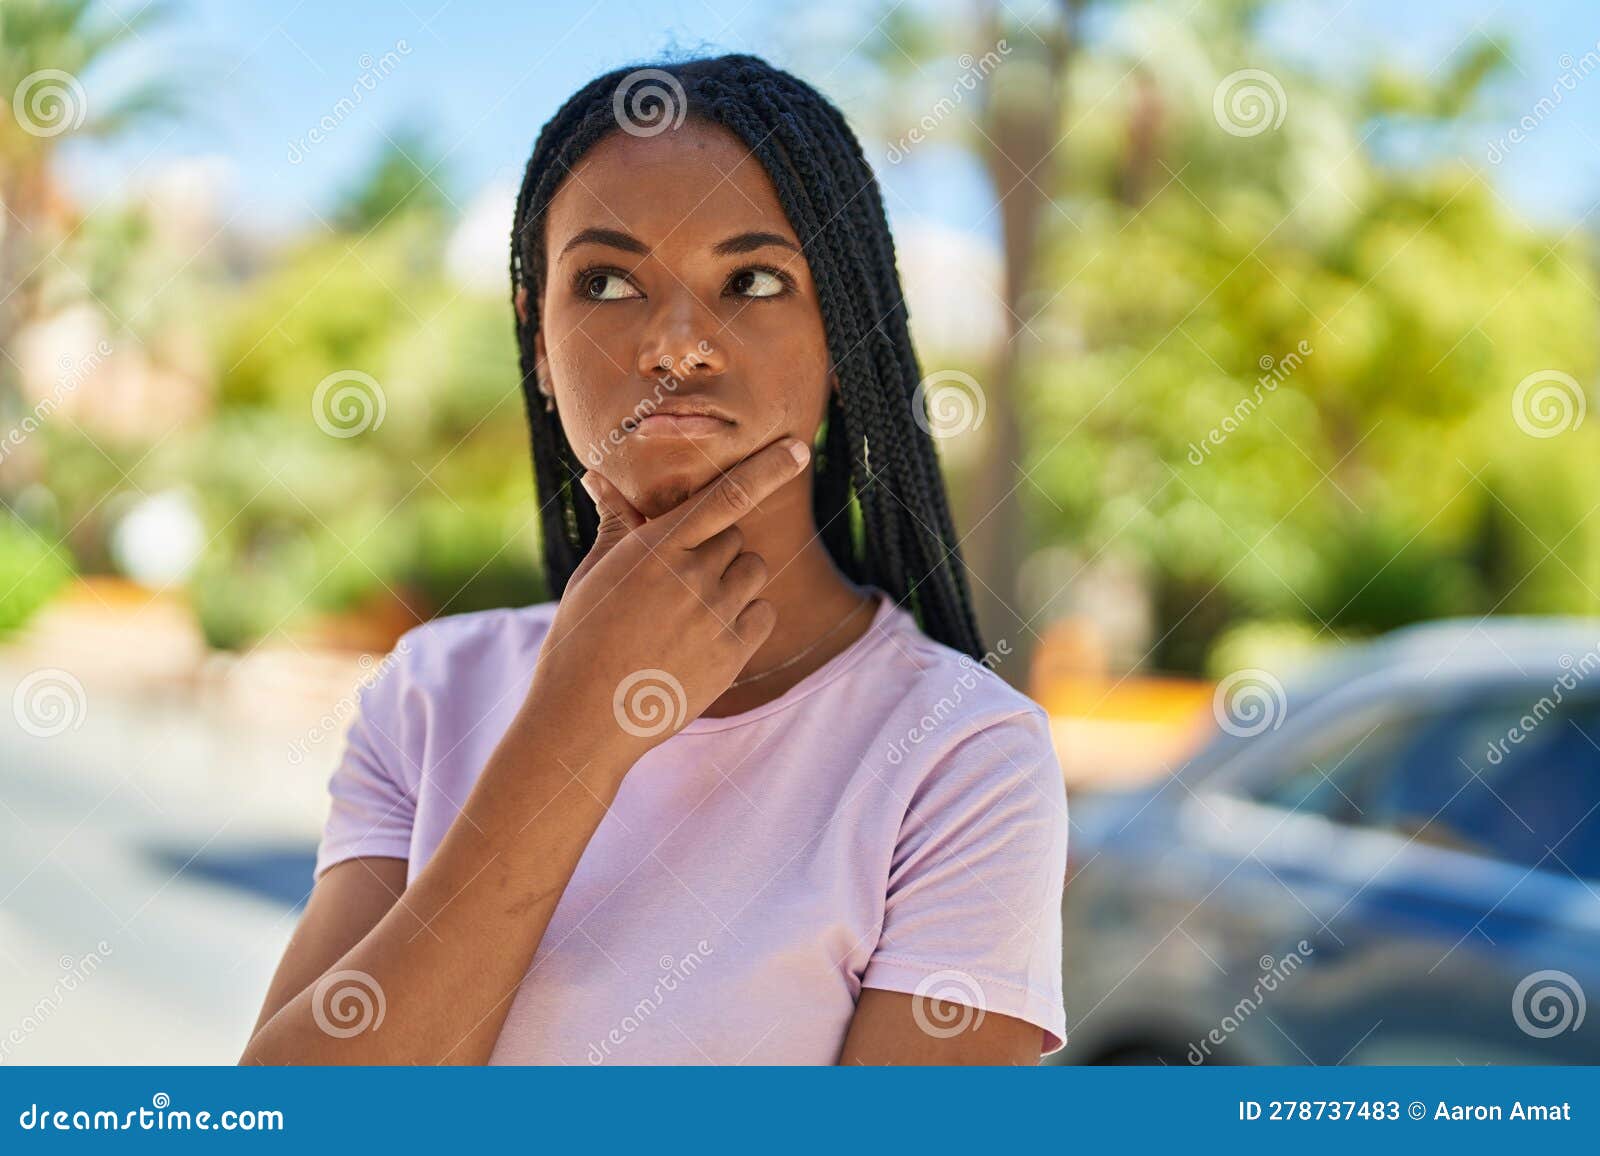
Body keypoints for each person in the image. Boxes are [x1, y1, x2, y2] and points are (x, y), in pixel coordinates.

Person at [242, 52, 1068, 1066]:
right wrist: (576, 726)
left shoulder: (960, 757)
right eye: (607, 282)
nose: (677, 344)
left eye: (753, 280)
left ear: (845, 335)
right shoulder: (428, 694)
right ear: (537, 340)